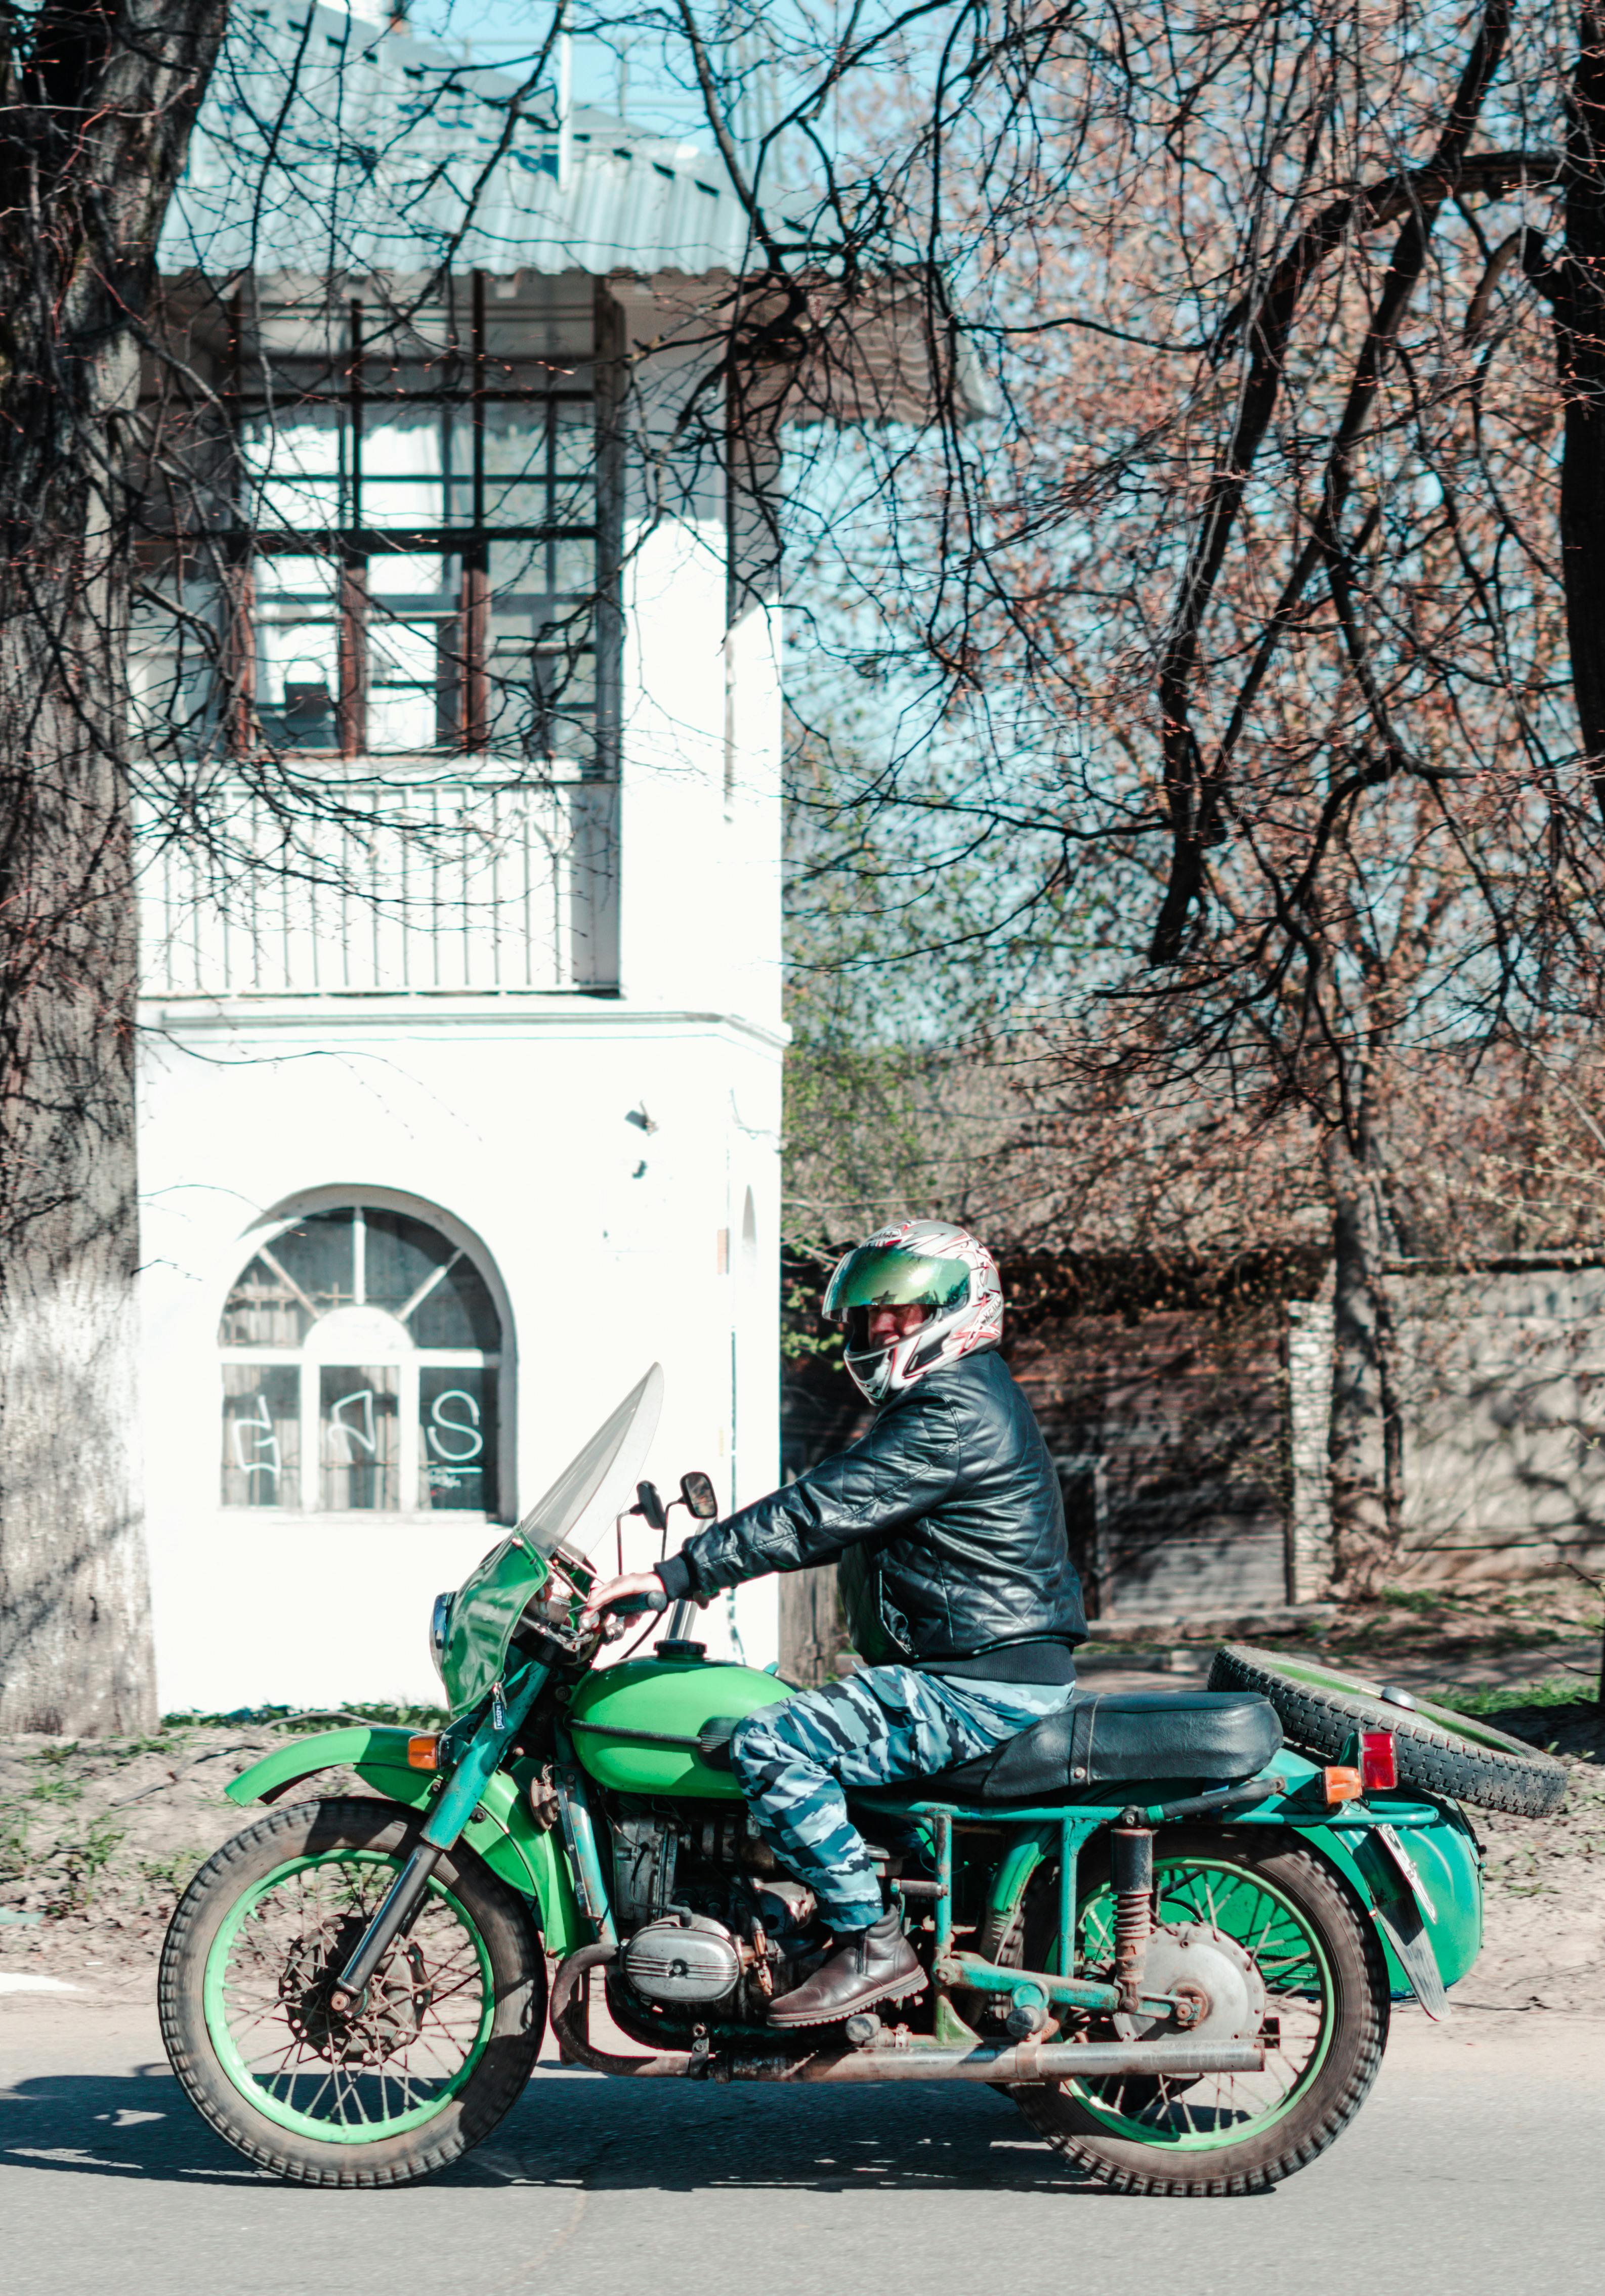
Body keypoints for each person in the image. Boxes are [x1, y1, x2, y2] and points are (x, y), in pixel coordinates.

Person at [584, 1218, 1087, 2027]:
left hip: (977, 1686)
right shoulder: (949, 1402)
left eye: (906, 1313)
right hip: (975, 1671)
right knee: (785, 1717)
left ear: (961, 1309)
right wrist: (702, 1575)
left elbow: (827, 1507)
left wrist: (682, 1571)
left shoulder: (951, 1410)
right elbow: (847, 1518)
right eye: (869, 1315)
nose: (881, 1328)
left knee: (770, 1742)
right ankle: (816, 1924)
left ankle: (871, 1942)